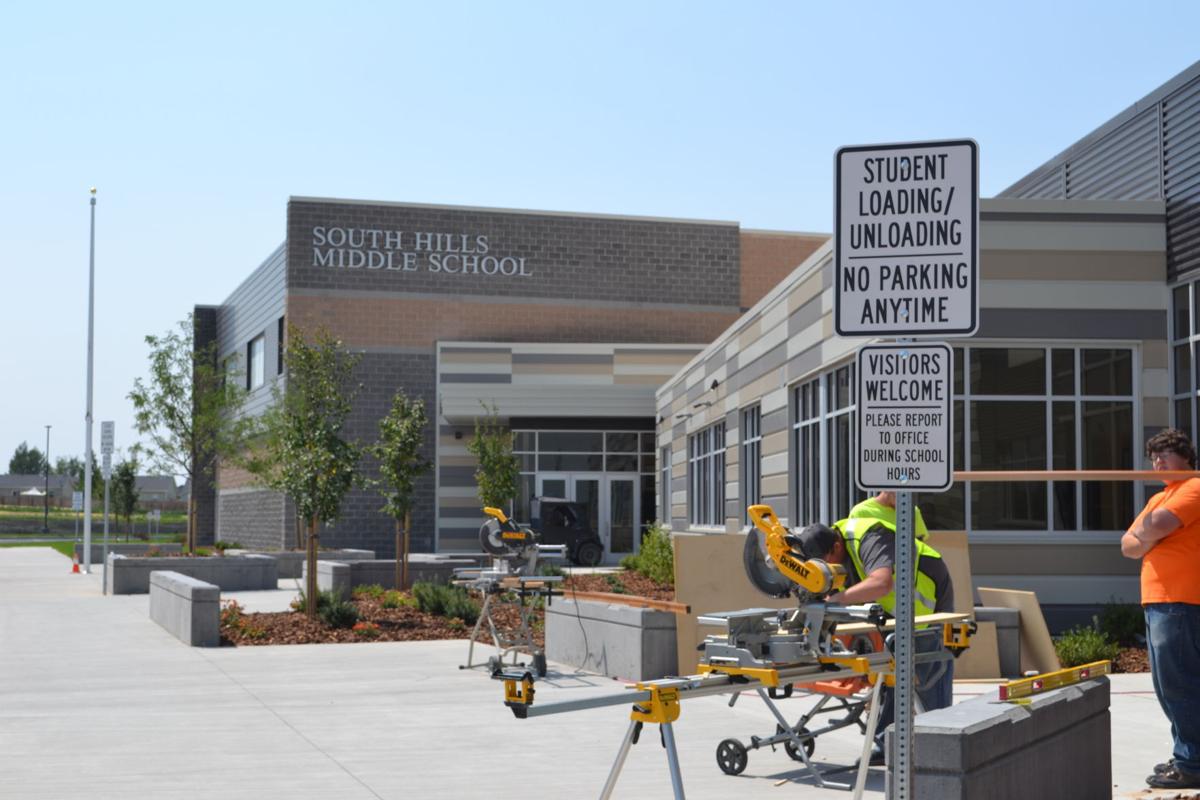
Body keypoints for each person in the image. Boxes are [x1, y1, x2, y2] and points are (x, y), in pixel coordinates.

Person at [793, 516, 954, 766]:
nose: (828, 572)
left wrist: (834, 602)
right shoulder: (836, 547)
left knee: (927, 677)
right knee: (889, 675)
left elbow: (881, 583)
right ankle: (885, 746)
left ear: (836, 547)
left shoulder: (868, 537)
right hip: (895, 610)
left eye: (828, 564)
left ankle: (941, 752)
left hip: (926, 601)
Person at [1121, 428, 1200, 790]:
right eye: (1153, 456)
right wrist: (1145, 534)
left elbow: (1154, 527)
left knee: (1180, 683)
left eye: (1165, 454)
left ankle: (1192, 762)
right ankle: (1187, 753)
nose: (1157, 461)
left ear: (1186, 457)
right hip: (1159, 601)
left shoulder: (1194, 488)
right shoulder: (1160, 496)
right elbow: (1128, 545)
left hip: (1181, 601)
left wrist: (1146, 534)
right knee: (1167, 685)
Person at [848, 490, 929, 540]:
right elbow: (850, 544)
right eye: (898, 491)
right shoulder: (860, 511)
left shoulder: (912, 511)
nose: (903, 497)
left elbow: (920, 543)